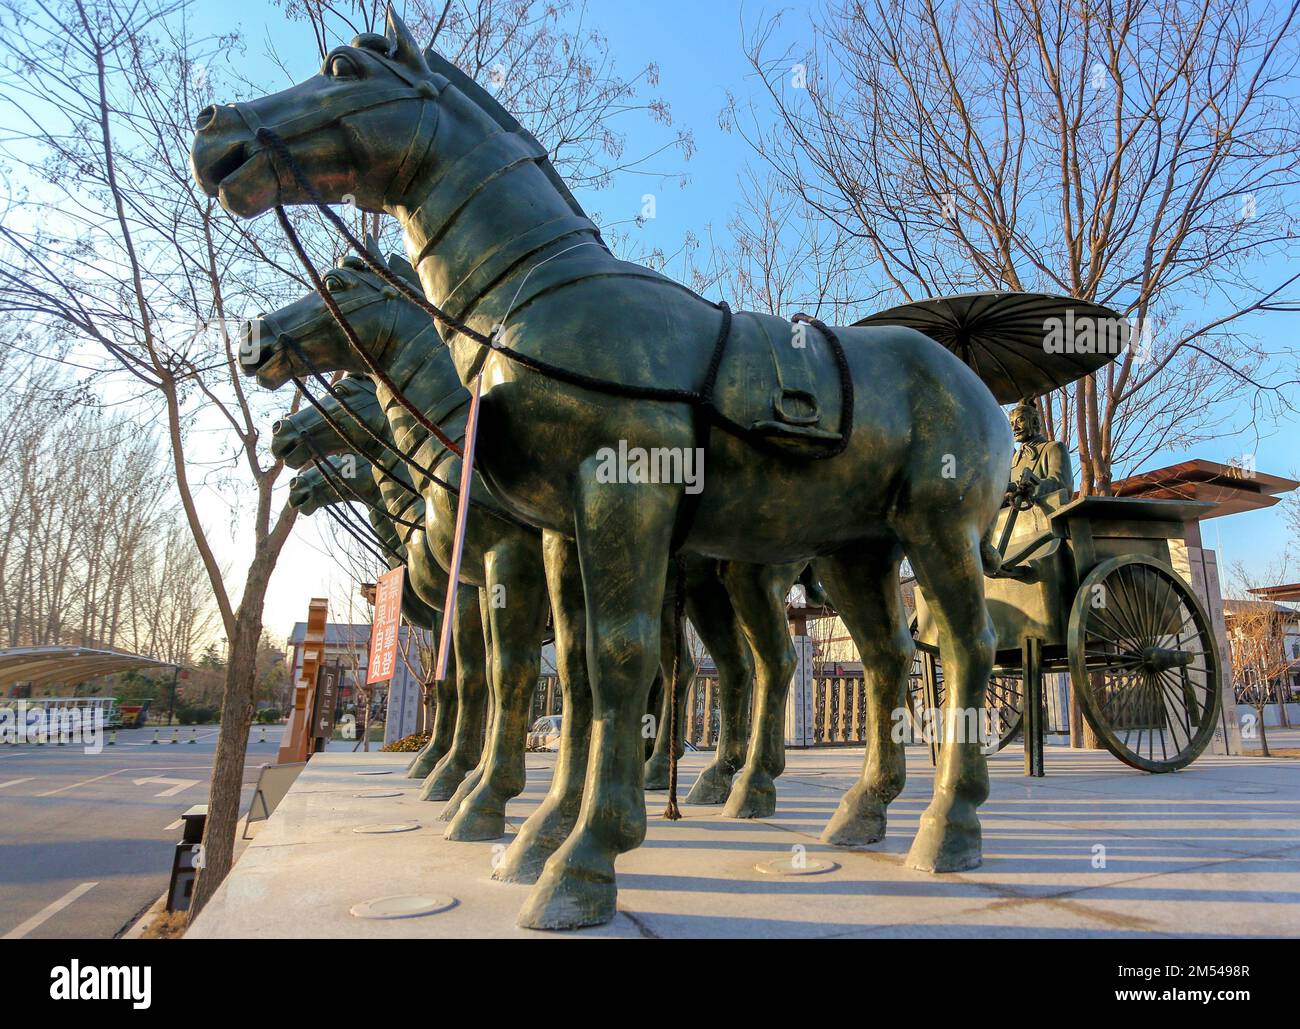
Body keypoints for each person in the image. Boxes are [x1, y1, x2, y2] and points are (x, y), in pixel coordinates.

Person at [1004, 399, 1074, 506]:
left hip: (1045, 513)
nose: (1015, 428)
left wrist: (1033, 488)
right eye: (1012, 424)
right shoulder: (1014, 459)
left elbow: (1062, 484)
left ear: (1035, 422)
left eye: (1020, 421)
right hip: (1015, 518)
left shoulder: (1054, 448)